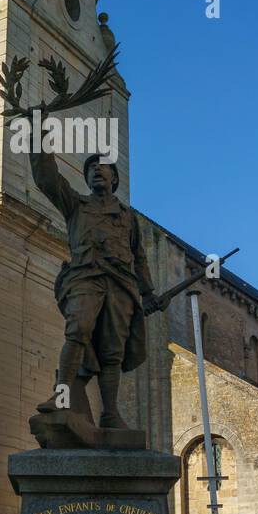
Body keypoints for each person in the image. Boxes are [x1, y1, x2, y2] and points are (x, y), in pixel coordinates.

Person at [30, 148, 163, 429]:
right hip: (85, 278)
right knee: (77, 330)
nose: (97, 171)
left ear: (114, 178)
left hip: (121, 286)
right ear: (87, 179)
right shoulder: (76, 205)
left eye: (103, 168)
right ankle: (63, 398)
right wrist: (38, 137)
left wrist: (148, 292)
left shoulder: (128, 217)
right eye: (91, 169)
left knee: (111, 352)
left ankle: (110, 414)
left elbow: (138, 256)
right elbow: (47, 179)